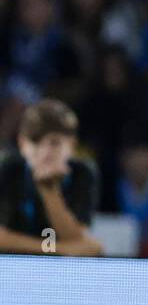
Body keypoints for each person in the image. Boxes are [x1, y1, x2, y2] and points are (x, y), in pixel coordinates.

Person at [0, 99, 103, 257]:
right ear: (22, 144)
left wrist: (49, 189)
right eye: (35, 141)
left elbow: (76, 237)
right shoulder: (8, 168)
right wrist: (60, 249)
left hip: (62, 271)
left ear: (72, 145)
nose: (44, 151)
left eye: (54, 143)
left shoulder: (83, 172)